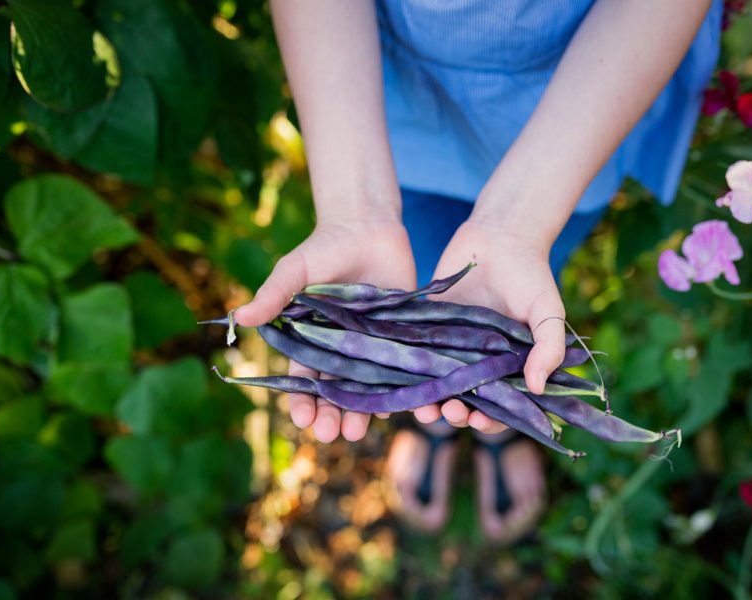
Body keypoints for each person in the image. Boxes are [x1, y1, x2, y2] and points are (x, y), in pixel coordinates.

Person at [234, 0, 722, 544]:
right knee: (419, 274)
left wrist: (518, 225)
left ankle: (482, 410)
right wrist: (356, 207)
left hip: (586, 102)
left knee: (518, 280)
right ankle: (451, 407)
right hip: (387, 102)